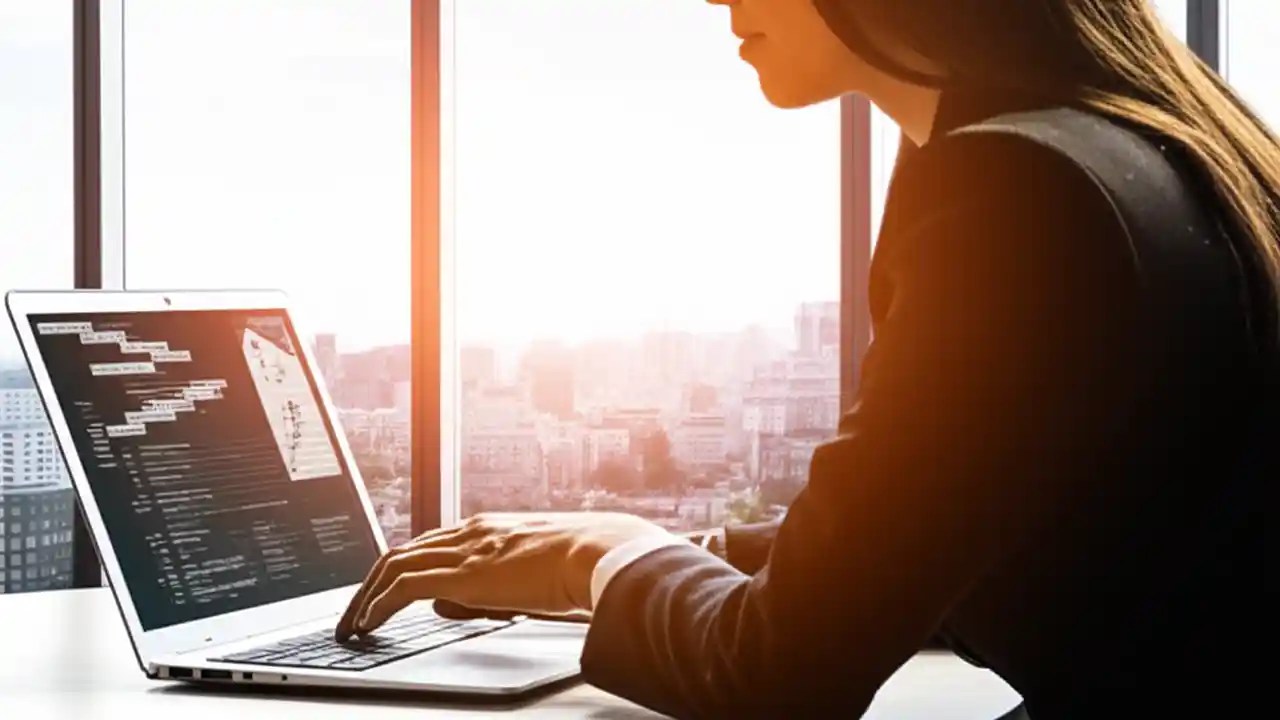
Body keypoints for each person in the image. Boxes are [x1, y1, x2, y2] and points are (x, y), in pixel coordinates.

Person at [336, 1, 1277, 716]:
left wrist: (602, 555)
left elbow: (777, 681)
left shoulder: (1009, 187)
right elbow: (993, 531)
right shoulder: (1166, 148)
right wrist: (694, 554)